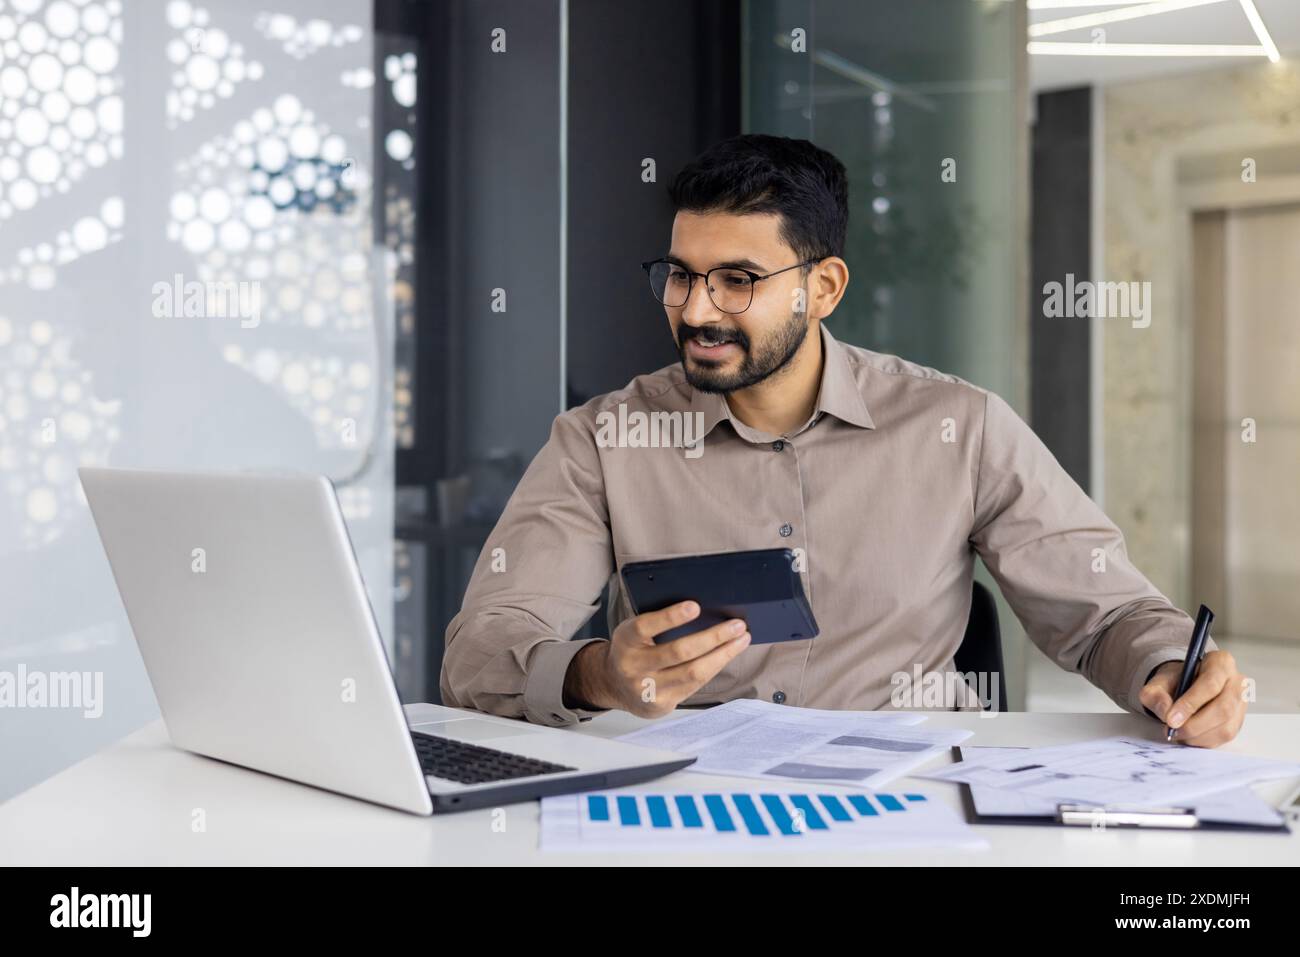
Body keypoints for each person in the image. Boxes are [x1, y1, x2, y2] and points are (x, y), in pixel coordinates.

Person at [441, 134, 1248, 748]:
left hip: (919, 794)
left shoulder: (958, 426)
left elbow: (1106, 612)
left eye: (737, 280)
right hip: (694, 802)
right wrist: (599, 674)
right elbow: (481, 652)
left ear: (822, 287)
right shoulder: (603, 439)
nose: (694, 309)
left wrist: (1171, 666)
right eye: (680, 274)